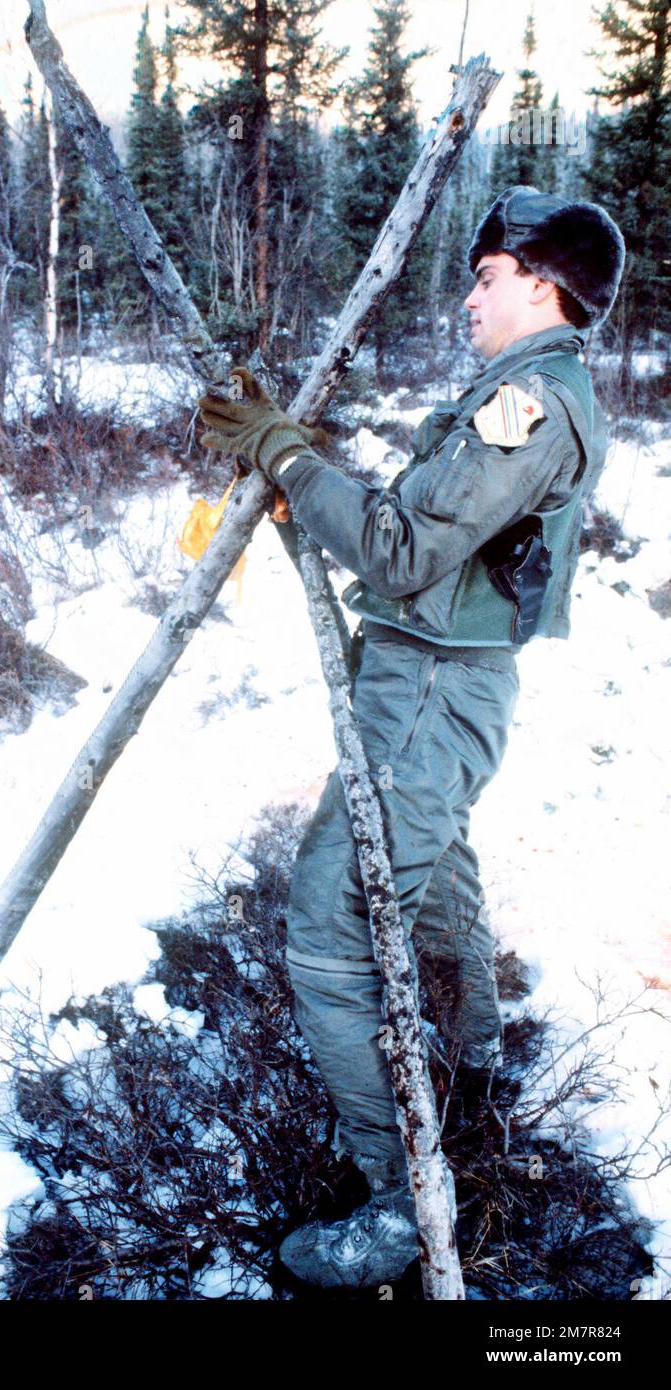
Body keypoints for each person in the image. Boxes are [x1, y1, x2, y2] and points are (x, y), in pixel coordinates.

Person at [196, 185, 625, 1290]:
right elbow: (422, 530)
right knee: (439, 893)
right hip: (430, 682)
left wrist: (287, 456)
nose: (469, 297)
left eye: (487, 277)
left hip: (432, 691)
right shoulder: (517, 390)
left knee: (329, 926)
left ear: (541, 283)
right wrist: (305, 481)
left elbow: (396, 550)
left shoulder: (529, 402)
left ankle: (397, 1203)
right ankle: (472, 1081)